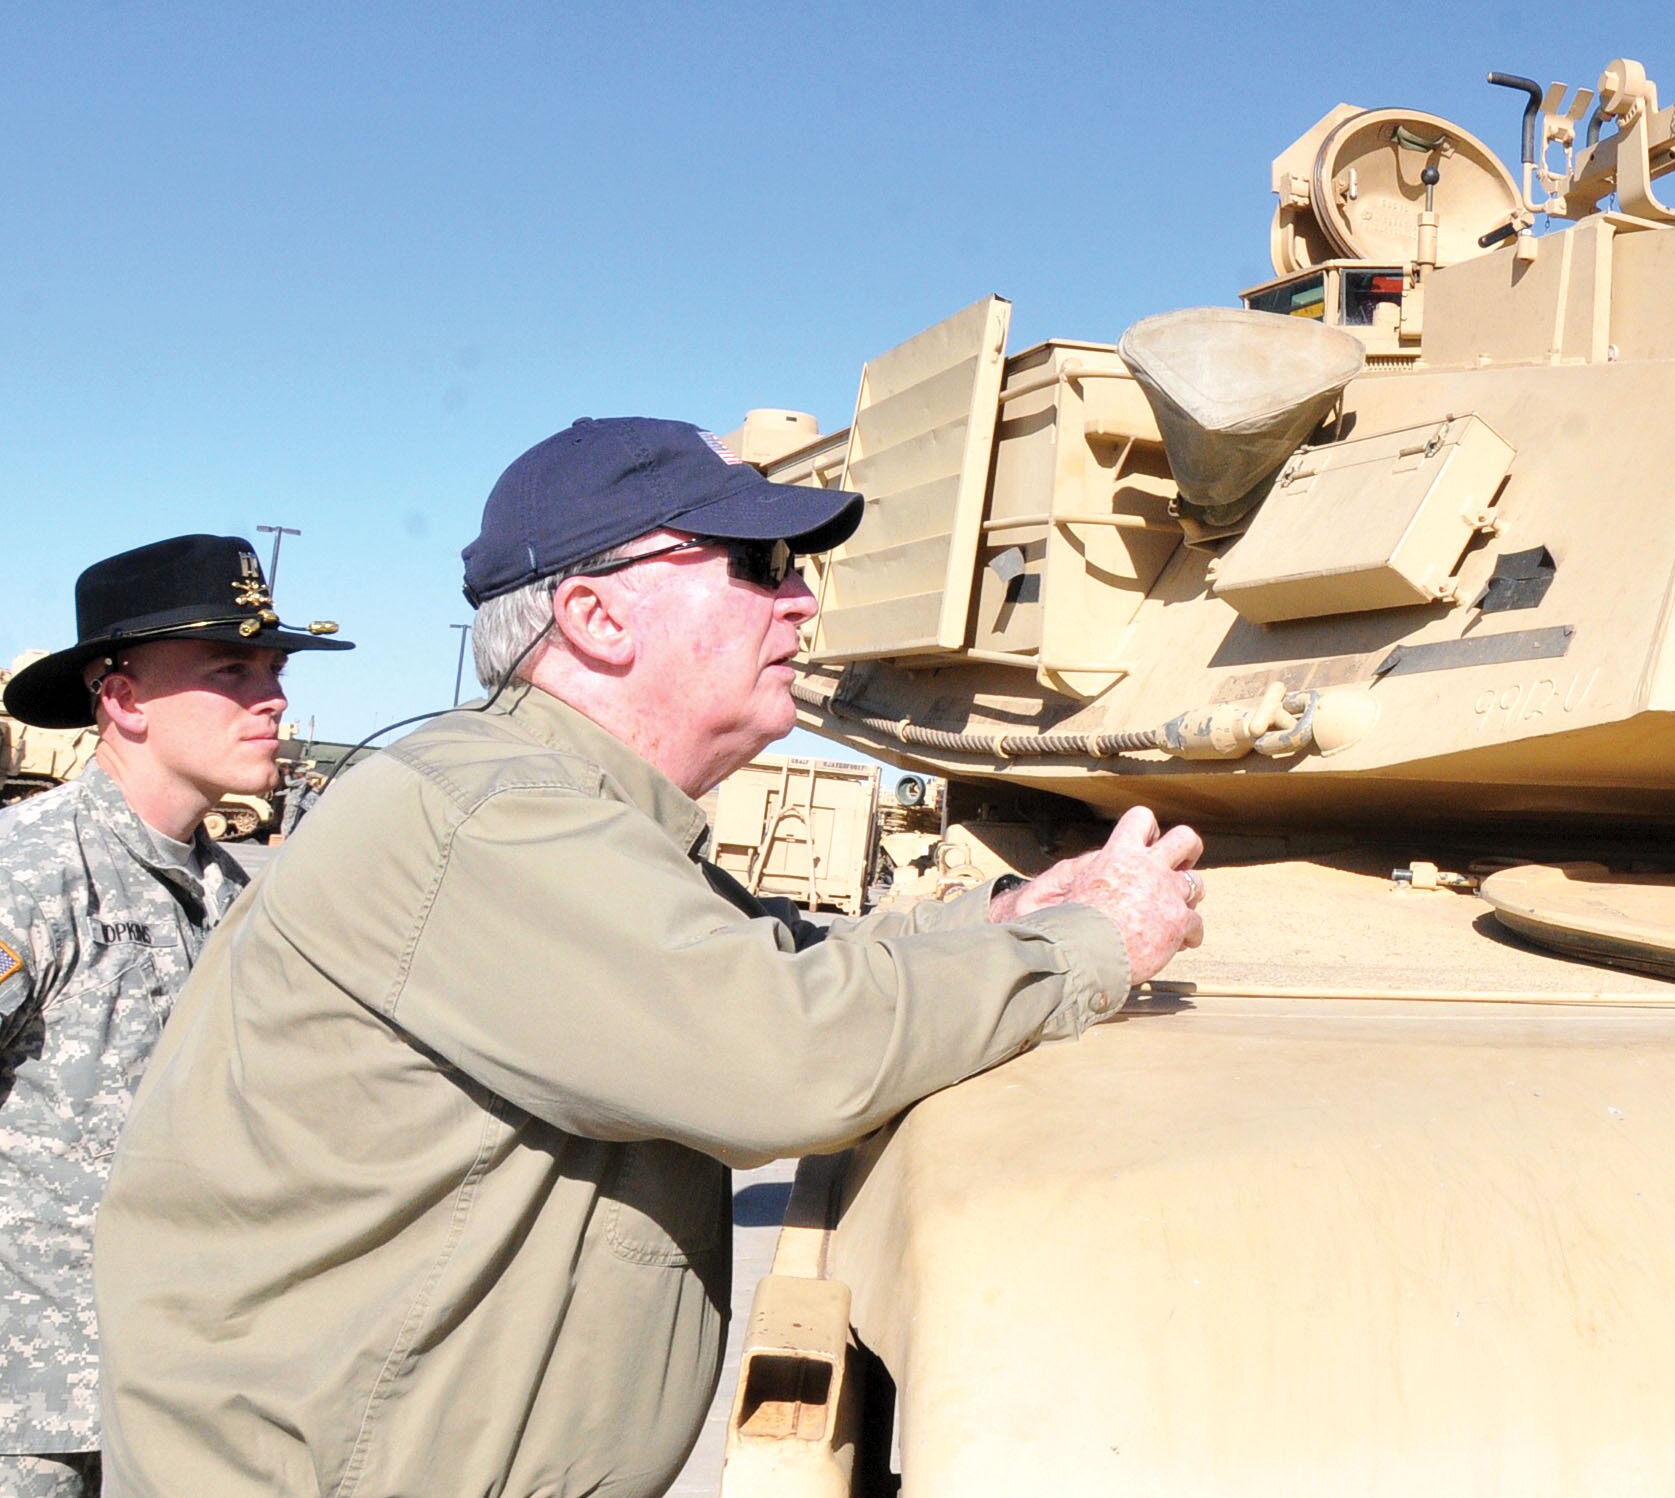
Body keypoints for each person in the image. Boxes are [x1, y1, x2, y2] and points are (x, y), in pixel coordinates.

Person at [93, 418, 1205, 1497]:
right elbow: (785, 1050)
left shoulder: (562, 807)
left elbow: (782, 956)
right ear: (595, 617)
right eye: (758, 564)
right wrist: (1091, 944)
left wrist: (1013, 911)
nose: (802, 597)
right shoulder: (491, 813)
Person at [0, 535, 349, 1498]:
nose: (272, 697)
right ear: (122, 699)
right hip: (27, 1417)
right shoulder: (28, 877)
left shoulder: (235, 895)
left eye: (273, 668)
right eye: (231, 669)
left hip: (182, 1399)